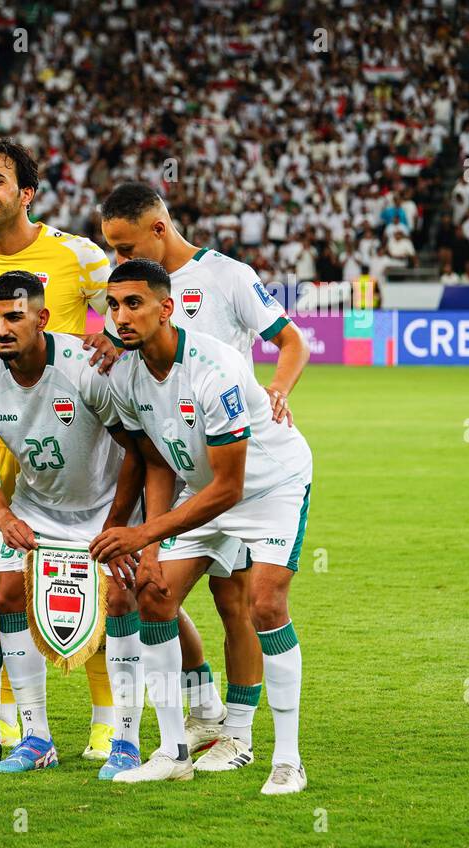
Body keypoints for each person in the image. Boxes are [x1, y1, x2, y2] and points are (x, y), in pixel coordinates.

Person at [99, 182, 310, 769]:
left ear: (158, 229)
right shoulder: (130, 328)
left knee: (243, 602)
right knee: (155, 591)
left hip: (244, 462)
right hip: (194, 463)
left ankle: (240, 735)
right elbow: (155, 452)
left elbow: (290, 342)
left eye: (124, 246)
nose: (118, 261)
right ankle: (188, 732)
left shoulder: (227, 278)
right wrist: (149, 532)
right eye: (111, 251)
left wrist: (275, 391)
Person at [0, 137, 119, 758]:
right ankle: (9, 722)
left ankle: (106, 718)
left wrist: (114, 344)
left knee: (86, 581)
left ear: (26, 193)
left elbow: (125, 318)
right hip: (0, 437)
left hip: (78, 442)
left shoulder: (76, 255)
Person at [0, 270, 141, 774]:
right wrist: (2, 515)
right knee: (6, 596)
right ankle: (37, 738)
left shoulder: (85, 367)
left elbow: (138, 455)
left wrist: (119, 527)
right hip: (36, 507)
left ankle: (125, 739)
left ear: (41, 318)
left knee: (122, 597)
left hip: (106, 504)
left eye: (14, 317)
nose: (1, 329)